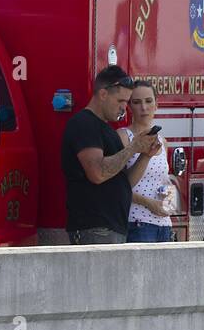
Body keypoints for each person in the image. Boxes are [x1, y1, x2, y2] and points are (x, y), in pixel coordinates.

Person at [61, 65, 162, 244]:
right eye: (121, 101)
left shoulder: (107, 130)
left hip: (113, 228)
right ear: (103, 94)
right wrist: (132, 148)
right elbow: (98, 173)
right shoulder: (84, 124)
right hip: (94, 228)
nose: (125, 108)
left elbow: (123, 182)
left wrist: (145, 155)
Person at [116, 80, 177, 243]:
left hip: (164, 224)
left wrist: (170, 202)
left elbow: (165, 180)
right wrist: (149, 203)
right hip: (137, 222)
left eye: (148, 101)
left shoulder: (162, 141)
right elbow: (118, 187)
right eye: (137, 102)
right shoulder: (123, 136)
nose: (144, 108)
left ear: (157, 105)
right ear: (129, 107)